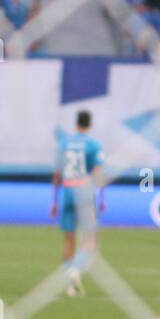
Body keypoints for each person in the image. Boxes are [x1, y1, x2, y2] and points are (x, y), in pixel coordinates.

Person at [51, 111, 105, 297]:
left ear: (76, 123)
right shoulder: (93, 145)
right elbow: (98, 173)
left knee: (69, 239)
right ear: (90, 124)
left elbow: (57, 174)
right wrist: (102, 198)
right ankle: (76, 268)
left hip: (67, 189)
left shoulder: (64, 143)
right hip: (84, 190)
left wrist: (54, 201)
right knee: (90, 239)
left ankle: (70, 283)